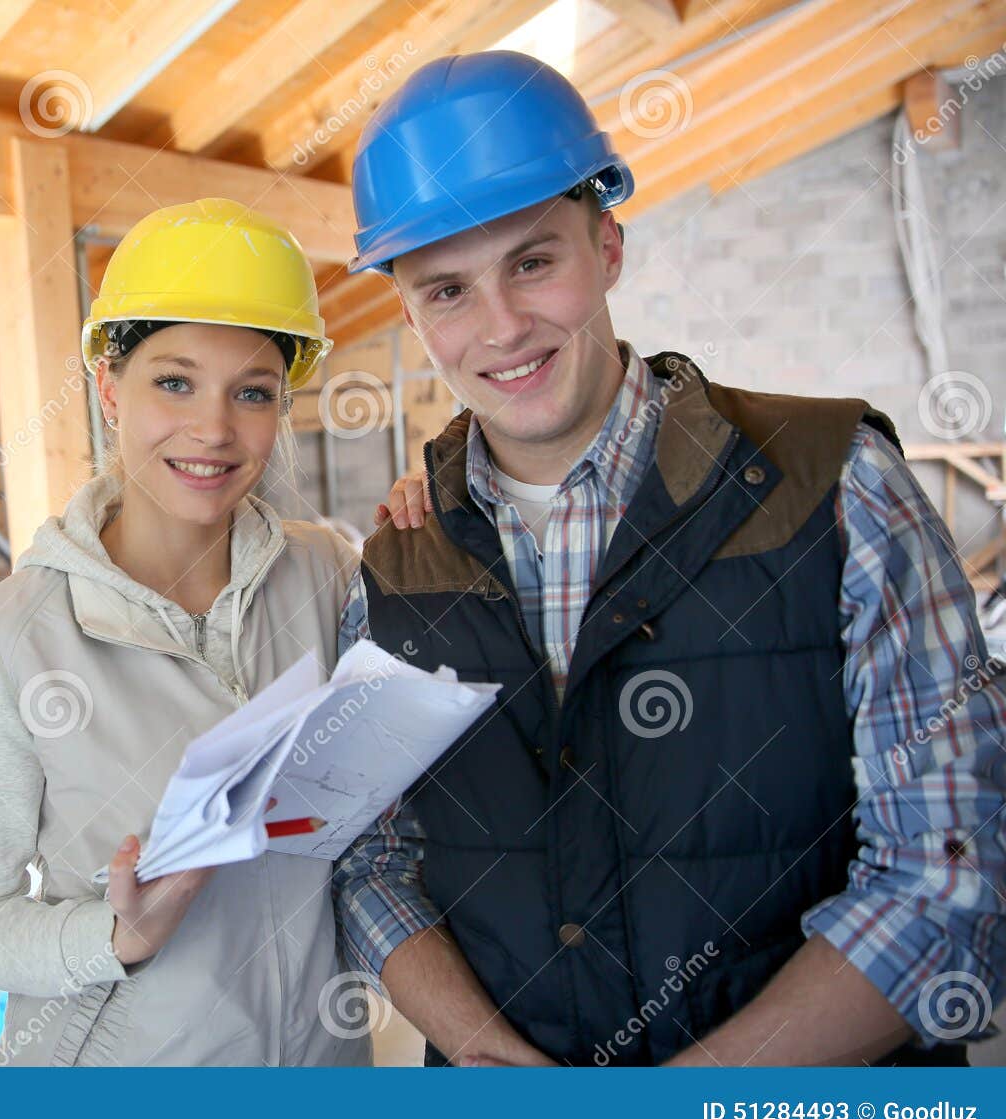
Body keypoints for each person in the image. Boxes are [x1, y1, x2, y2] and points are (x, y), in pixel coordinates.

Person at [332, 50, 1006, 1066]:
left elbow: (951, 871)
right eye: (448, 290)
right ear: (410, 314)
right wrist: (483, 1056)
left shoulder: (838, 485)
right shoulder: (391, 572)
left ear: (607, 244)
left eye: (532, 262)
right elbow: (369, 859)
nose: (502, 327)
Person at [0, 198, 371, 1066]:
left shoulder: (325, 575)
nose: (214, 429)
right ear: (107, 389)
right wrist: (116, 936)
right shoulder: (16, 634)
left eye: (252, 392)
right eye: (174, 381)